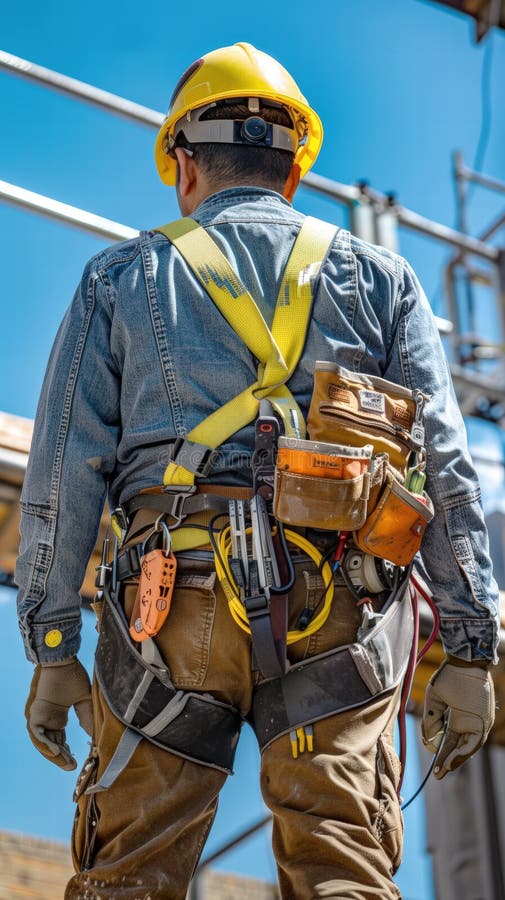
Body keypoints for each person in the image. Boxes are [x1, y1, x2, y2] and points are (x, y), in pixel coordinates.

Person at [16, 42, 498, 900]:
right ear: (294, 173)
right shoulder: (382, 278)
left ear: (183, 166)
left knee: (129, 877)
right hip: (339, 612)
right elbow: (444, 473)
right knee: (342, 872)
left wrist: (54, 647)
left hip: (174, 609)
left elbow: (61, 475)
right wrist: (468, 647)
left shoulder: (120, 277)